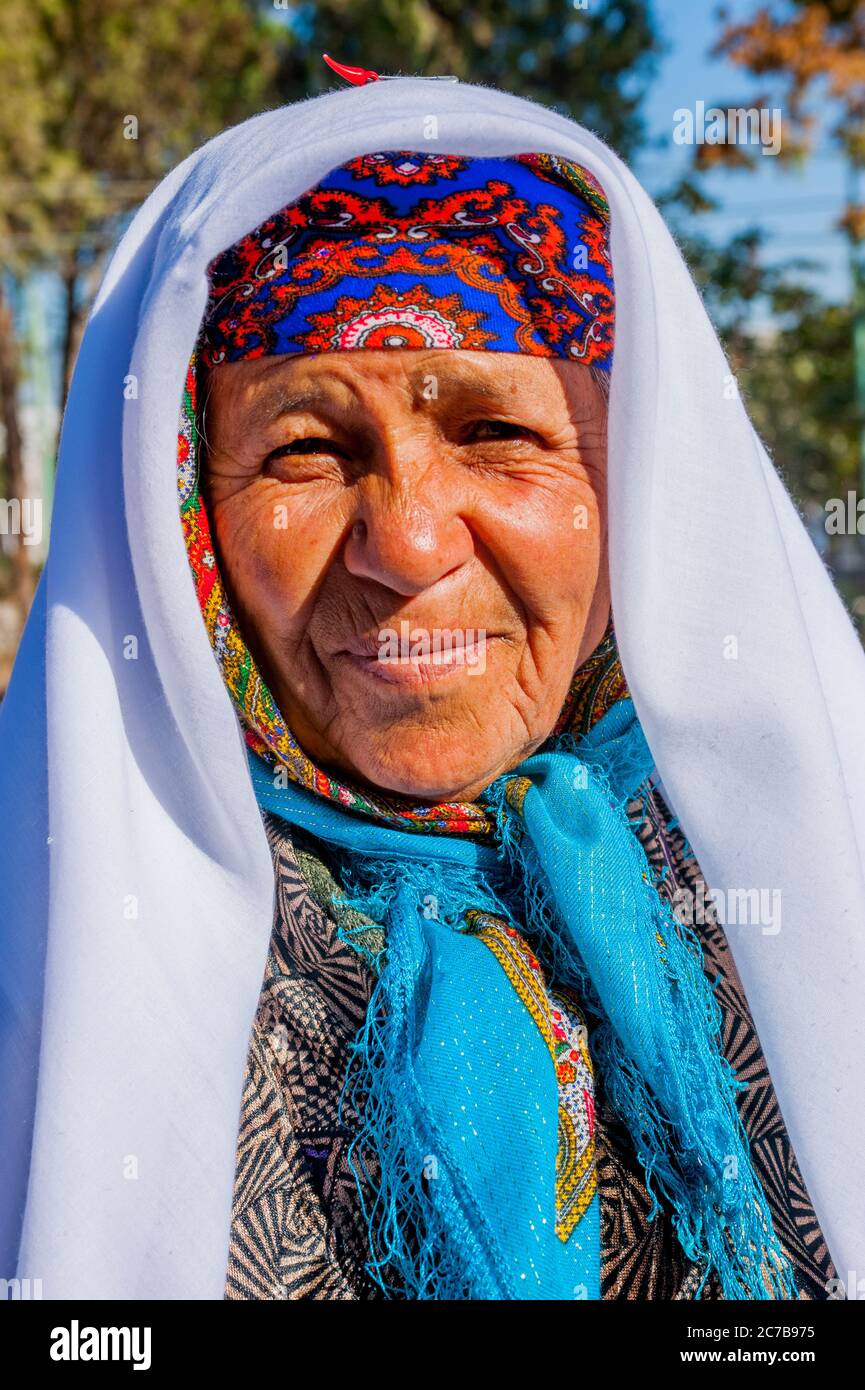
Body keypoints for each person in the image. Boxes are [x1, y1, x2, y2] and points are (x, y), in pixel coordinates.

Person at [2, 78, 863, 1302]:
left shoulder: (793, 889)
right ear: (186, 513)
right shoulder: (68, 943)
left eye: (496, 434)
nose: (406, 542)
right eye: (304, 450)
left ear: (632, 485)